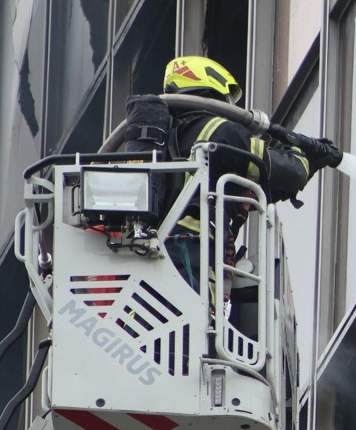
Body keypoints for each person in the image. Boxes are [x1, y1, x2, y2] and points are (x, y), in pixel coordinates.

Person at [122, 55, 342, 293]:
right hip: (190, 260)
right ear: (213, 90)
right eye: (227, 101)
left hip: (151, 265)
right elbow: (289, 172)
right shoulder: (219, 130)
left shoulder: (166, 140)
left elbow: (264, 184)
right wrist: (300, 152)